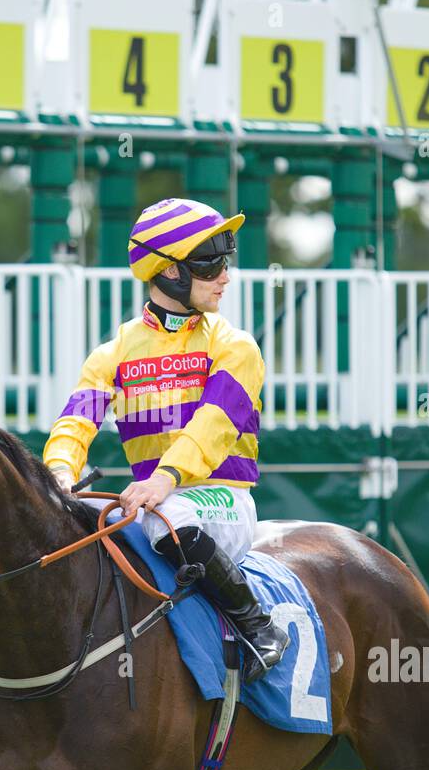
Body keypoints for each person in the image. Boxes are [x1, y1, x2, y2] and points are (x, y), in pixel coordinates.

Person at [43, 197, 288, 684]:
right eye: (211, 264)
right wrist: (59, 476)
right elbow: (76, 422)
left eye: (225, 263)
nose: (226, 276)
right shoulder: (111, 353)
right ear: (171, 272)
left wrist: (165, 478)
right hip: (151, 503)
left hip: (217, 499)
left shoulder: (234, 345)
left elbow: (214, 424)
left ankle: (258, 626)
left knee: (168, 518)